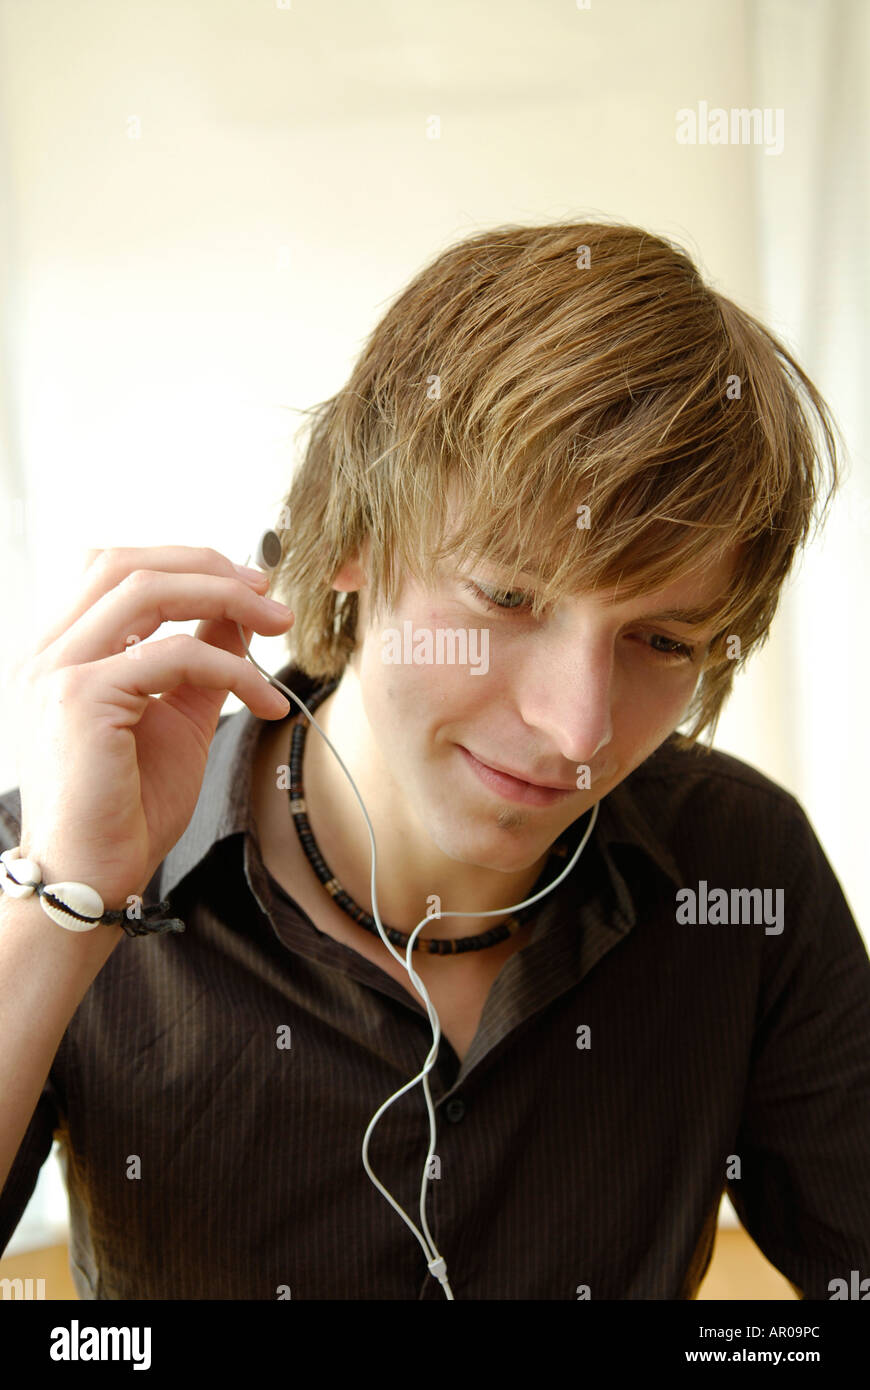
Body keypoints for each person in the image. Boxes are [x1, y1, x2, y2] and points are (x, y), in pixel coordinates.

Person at [0, 221, 867, 1300]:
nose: (577, 728)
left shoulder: (743, 863)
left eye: (663, 641)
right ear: (355, 535)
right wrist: (59, 909)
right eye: (507, 597)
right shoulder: (60, 860)